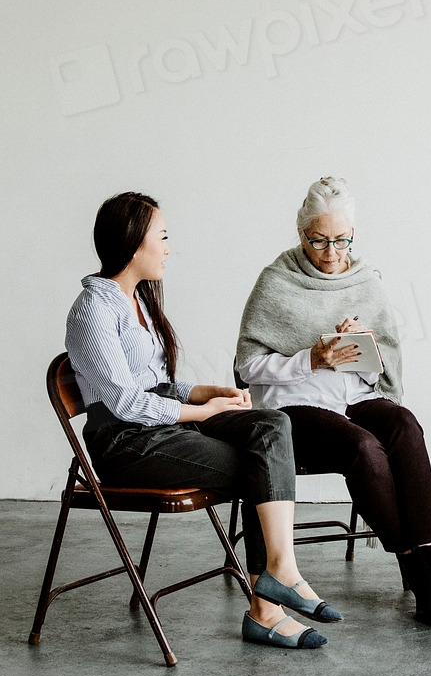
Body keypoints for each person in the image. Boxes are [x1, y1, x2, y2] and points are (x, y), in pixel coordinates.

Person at [66, 191, 342, 652]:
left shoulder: (139, 300)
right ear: (135, 244)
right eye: (164, 237)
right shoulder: (93, 310)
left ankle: (280, 573)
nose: (170, 248)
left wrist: (204, 393)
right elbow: (127, 403)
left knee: (270, 426)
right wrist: (202, 413)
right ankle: (268, 609)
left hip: (163, 426)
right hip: (126, 444)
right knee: (262, 467)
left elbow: (156, 384)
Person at [236, 176, 431, 628]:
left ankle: (425, 567)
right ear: (302, 233)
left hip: (355, 396)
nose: (332, 253)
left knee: (403, 423)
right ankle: (425, 580)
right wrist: (313, 357)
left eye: (342, 240)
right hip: (293, 410)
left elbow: (380, 368)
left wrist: (360, 346)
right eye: (320, 240)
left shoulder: (366, 281)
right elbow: (248, 367)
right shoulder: (276, 281)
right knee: (361, 446)